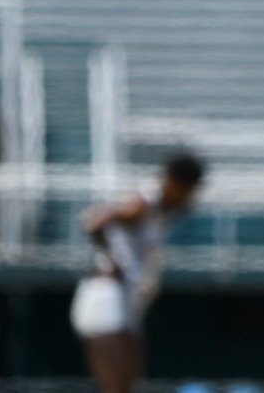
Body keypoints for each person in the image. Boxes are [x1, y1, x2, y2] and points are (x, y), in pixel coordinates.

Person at [71, 152, 204, 393]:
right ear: (175, 182)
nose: (189, 199)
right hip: (107, 299)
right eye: (189, 191)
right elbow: (95, 222)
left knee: (129, 385)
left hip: (126, 306)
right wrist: (115, 261)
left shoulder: (159, 211)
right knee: (115, 387)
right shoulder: (143, 203)